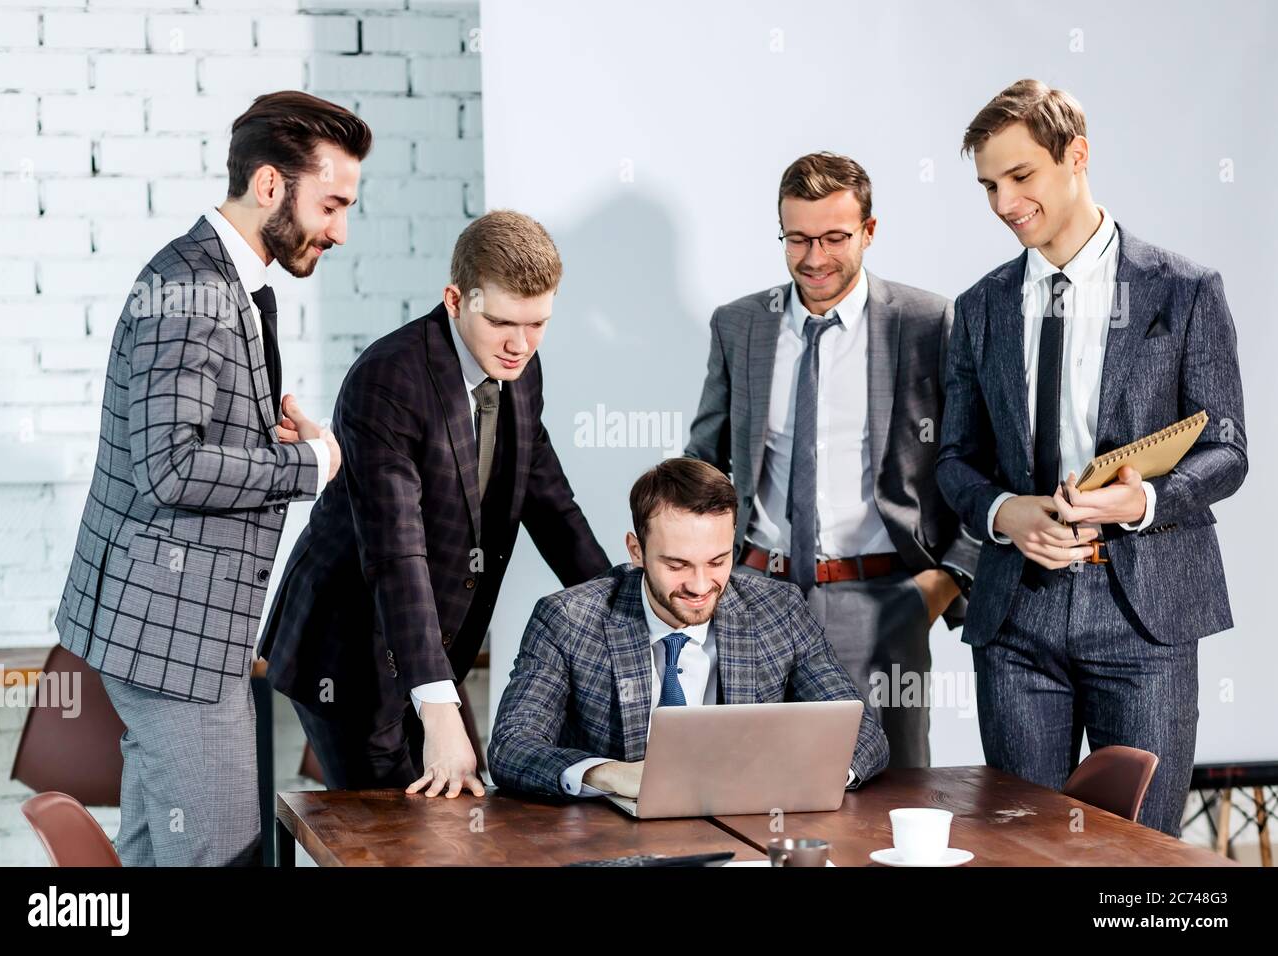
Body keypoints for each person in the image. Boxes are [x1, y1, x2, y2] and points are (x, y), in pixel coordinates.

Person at [55, 91, 364, 865]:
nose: (340, 230)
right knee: (222, 858)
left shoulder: (217, 281)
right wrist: (310, 463)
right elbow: (171, 467)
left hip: (176, 635)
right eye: (331, 204)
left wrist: (266, 436)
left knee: (160, 855)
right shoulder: (191, 292)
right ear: (270, 186)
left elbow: (184, 440)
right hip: (175, 646)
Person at [937, 79, 1247, 836]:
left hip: (1145, 617)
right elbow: (953, 459)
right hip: (1017, 620)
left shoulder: (1183, 291)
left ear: (1076, 156)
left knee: (1139, 851)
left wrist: (1138, 504)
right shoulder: (980, 307)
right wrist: (1003, 511)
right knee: (1021, 848)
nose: (1004, 203)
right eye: (988, 186)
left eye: (1020, 177)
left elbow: (1227, 451)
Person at [260, 210, 611, 799]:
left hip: (429, 649)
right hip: (349, 651)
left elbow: (550, 503)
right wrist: (440, 706)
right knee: (392, 844)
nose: (520, 344)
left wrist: (624, 612)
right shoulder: (388, 380)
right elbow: (397, 553)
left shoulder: (520, 368)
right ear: (455, 299)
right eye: (501, 322)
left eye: (537, 324)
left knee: (457, 823)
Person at [684, 152, 980, 768]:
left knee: (890, 791)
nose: (814, 258)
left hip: (883, 601)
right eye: (797, 239)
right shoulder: (739, 325)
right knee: (751, 780)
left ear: (869, 231)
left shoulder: (928, 323)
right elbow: (703, 466)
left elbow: (981, 465)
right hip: (754, 593)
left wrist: (943, 581)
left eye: (834, 238)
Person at [488, 457, 888, 800]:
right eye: (677, 565)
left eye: (716, 562)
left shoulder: (778, 611)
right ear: (636, 551)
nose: (699, 586)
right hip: (611, 841)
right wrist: (611, 774)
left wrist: (805, 779)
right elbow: (511, 746)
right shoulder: (568, 619)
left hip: (747, 831)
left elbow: (863, 734)